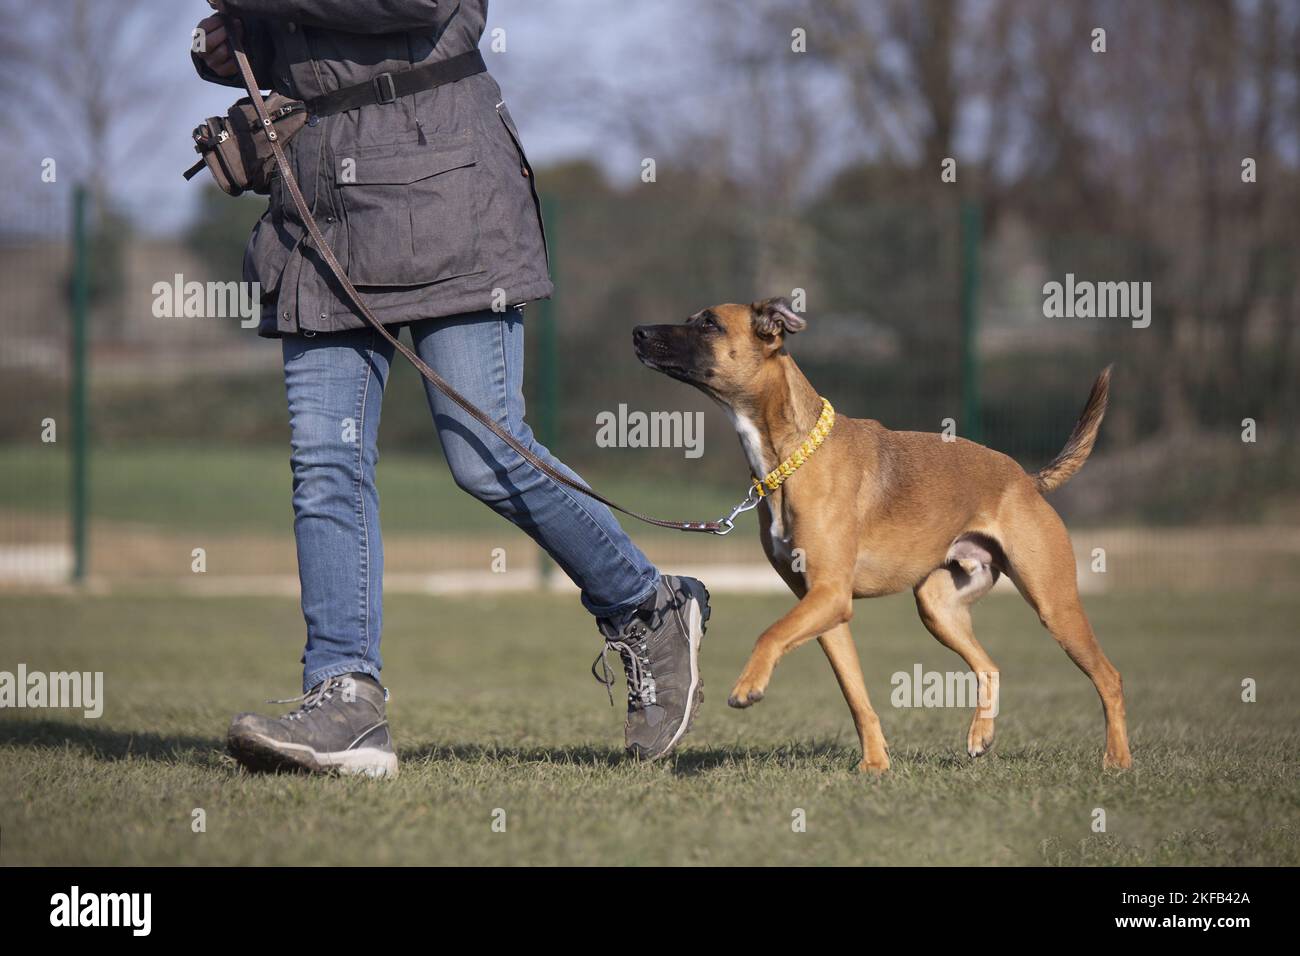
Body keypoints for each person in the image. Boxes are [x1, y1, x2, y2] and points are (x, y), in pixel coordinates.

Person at [192, 0, 710, 778]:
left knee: (486, 454)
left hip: (447, 188)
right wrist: (230, 44)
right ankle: (347, 701)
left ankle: (646, 605)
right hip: (318, 197)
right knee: (324, 464)